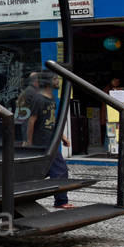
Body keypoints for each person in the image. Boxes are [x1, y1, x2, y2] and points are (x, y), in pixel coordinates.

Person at [25, 72, 71, 209]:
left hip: (51, 139)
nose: (58, 81)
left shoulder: (51, 98)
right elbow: (32, 121)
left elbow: (52, 120)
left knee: (47, 170)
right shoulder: (39, 99)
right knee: (60, 170)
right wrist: (29, 141)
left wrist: (62, 137)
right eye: (55, 79)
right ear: (48, 82)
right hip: (44, 140)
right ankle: (61, 201)